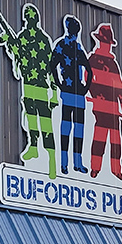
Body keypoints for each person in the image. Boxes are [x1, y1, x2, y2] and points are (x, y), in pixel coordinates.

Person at [0, 4, 60, 179]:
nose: (28, 22)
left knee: (45, 125)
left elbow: (51, 67)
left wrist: (54, 93)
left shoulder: (43, 40)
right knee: (31, 119)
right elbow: (17, 57)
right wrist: (9, 41)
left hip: (41, 87)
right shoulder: (23, 37)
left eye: (30, 19)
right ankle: (33, 146)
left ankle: (52, 161)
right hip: (28, 86)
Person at [87, 23, 122, 180]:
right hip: (100, 107)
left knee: (115, 141)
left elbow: (120, 90)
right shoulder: (92, 60)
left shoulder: (113, 64)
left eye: (107, 43)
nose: (106, 46)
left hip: (113, 109)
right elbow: (86, 81)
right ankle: (95, 168)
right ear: (99, 41)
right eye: (104, 42)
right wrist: (95, 96)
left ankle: (116, 170)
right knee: (99, 138)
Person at [49, 16, 92, 174]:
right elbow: (52, 65)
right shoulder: (64, 45)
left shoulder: (77, 47)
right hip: (70, 92)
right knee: (68, 128)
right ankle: (66, 163)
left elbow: (89, 70)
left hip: (75, 93)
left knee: (75, 129)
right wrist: (60, 83)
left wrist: (85, 87)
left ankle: (75, 163)